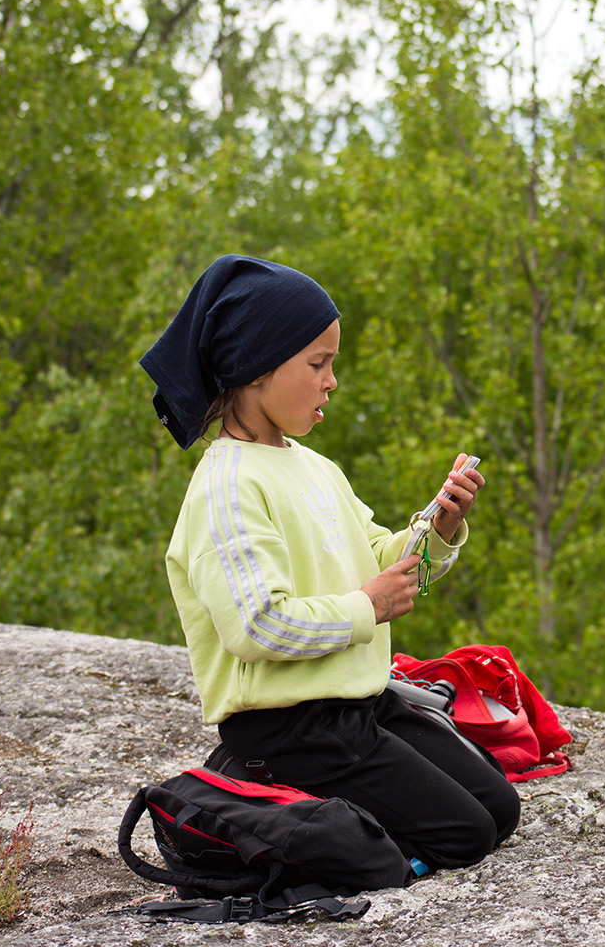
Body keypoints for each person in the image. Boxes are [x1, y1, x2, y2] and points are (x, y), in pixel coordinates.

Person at [140, 254, 519, 886]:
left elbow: (379, 565)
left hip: (359, 705)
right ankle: (272, 800)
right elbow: (257, 627)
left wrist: (438, 530)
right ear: (258, 367)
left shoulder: (315, 468)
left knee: (499, 809)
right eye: (318, 363)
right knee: (465, 833)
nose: (331, 381)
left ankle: (334, 817)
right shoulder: (226, 485)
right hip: (289, 727)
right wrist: (366, 607)